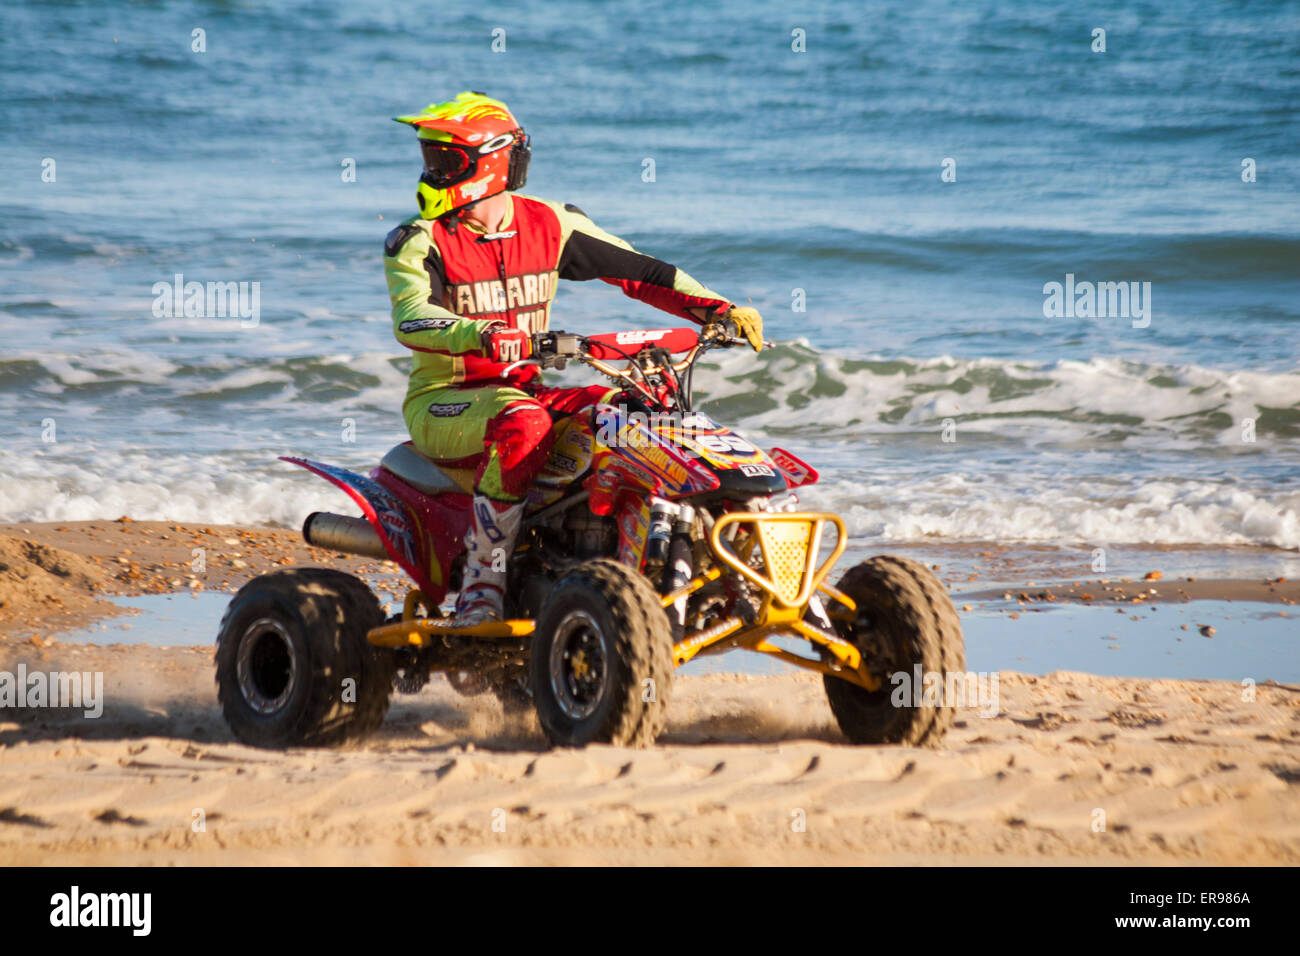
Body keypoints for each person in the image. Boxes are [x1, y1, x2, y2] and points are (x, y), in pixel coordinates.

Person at [384, 91, 763, 623]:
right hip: (445, 401)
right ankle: (482, 587)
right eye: (429, 159)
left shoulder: (551, 224)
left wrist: (717, 309)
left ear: (490, 163)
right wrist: (483, 334)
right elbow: (412, 317)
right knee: (524, 421)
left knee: (631, 413)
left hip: (525, 389)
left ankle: (674, 562)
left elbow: (641, 271)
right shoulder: (419, 241)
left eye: (445, 160)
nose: (432, 171)